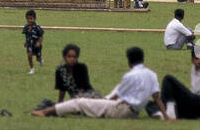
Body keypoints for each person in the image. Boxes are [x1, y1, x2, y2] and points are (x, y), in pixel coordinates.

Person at [31, 46, 170, 120]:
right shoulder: (152, 74)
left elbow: (117, 96)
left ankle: (45, 112)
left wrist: (104, 102)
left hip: (121, 110)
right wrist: (166, 117)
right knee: (94, 102)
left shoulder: (130, 75)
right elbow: (157, 98)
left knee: (80, 102)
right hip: (133, 112)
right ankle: (94, 103)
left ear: (129, 61)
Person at [157, 52, 200, 120]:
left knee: (168, 78)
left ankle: (168, 112)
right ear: (192, 60)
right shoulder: (194, 67)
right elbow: (198, 89)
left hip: (199, 104)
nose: (199, 61)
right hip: (192, 107)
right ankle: (165, 111)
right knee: (152, 104)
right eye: (196, 59)